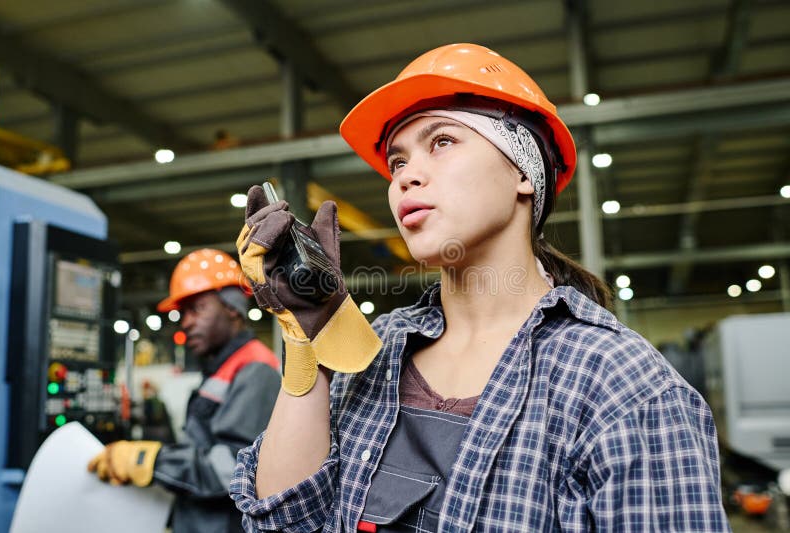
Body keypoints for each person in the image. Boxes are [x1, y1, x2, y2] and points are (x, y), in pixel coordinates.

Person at [230, 44, 730, 532]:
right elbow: (283, 521)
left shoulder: (622, 386)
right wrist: (308, 341)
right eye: (398, 162)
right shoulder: (377, 353)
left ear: (523, 171)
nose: (406, 178)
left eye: (442, 142)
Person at [88, 248, 281, 533]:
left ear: (232, 308)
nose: (186, 322)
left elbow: (233, 468)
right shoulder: (221, 368)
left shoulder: (256, 371)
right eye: (182, 313)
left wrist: (151, 461)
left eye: (197, 309)